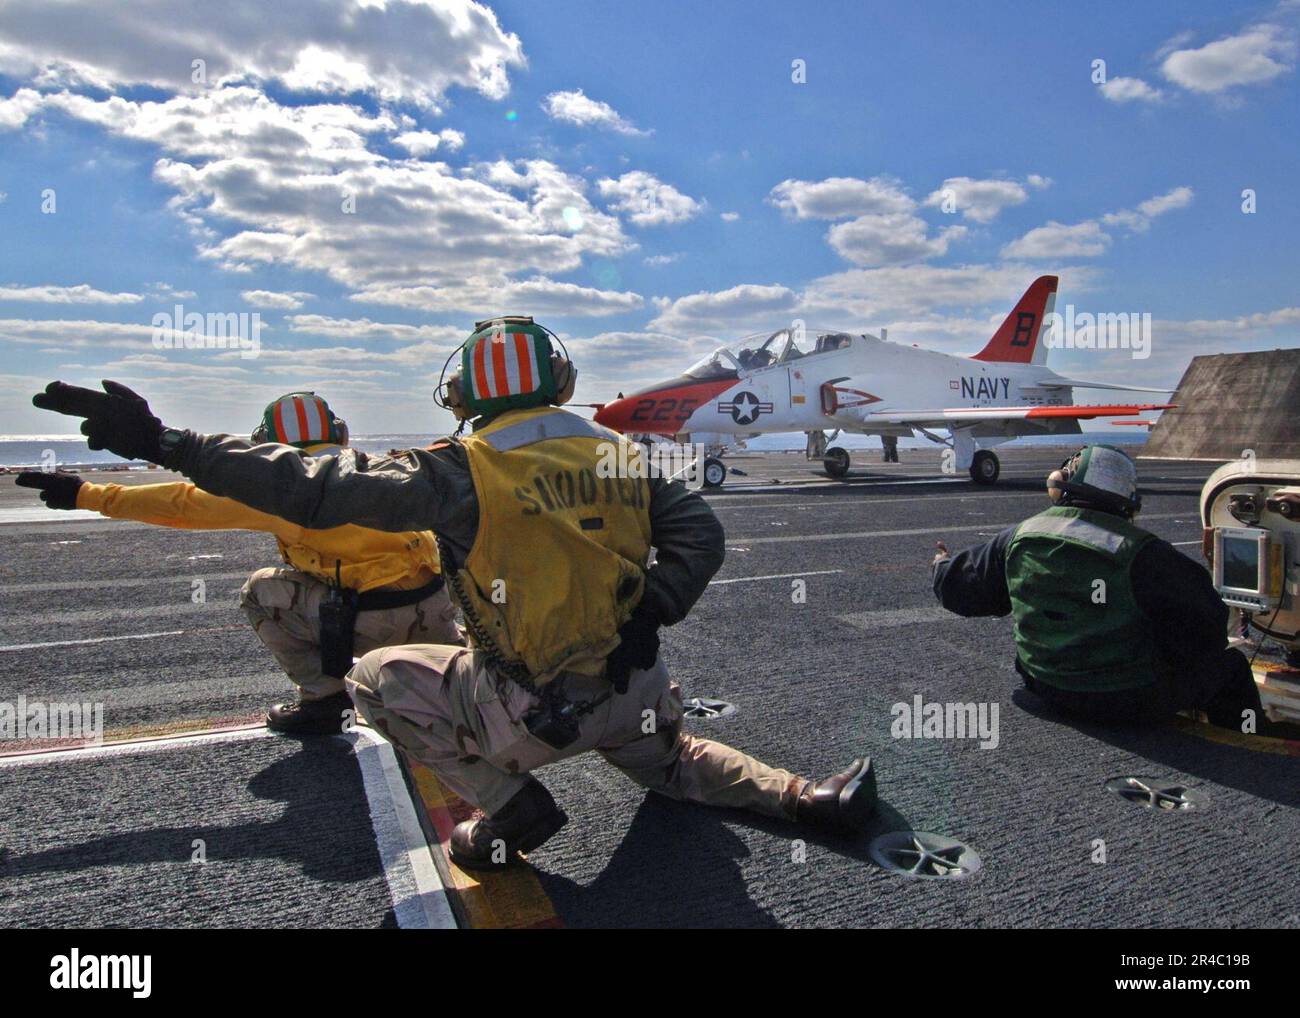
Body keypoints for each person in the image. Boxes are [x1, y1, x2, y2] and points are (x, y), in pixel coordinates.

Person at [33, 316, 877, 869]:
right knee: (679, 763)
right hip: (633, 689)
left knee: (374, 682)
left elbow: (313, 487)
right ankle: (809, 797)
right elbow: (702, 536)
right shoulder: (621, 454)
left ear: (466, 394)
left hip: (523, 712)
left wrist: (169, 442)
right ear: (557, 381)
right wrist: (652, 610)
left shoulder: (457, 470)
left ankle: (513, 808)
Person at [17, 392, 460, 735]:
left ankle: (324, 700)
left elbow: (183, 503)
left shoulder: (279, 491)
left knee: (261, 590)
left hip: (372, 624)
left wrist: (84, 493)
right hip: (438, 615)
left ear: (266, 444)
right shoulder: (378, 465)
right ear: (340, 433)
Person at [930, 444, 1263, 731]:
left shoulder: (1019, 537)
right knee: (1230, 666)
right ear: (1127, 501)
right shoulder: (1144, 553)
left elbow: (958, 590)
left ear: (1062, 487)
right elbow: (1209, 627)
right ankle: (1254, 745)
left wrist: (941, 563)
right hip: (1127, 701)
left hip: (1043, 685)